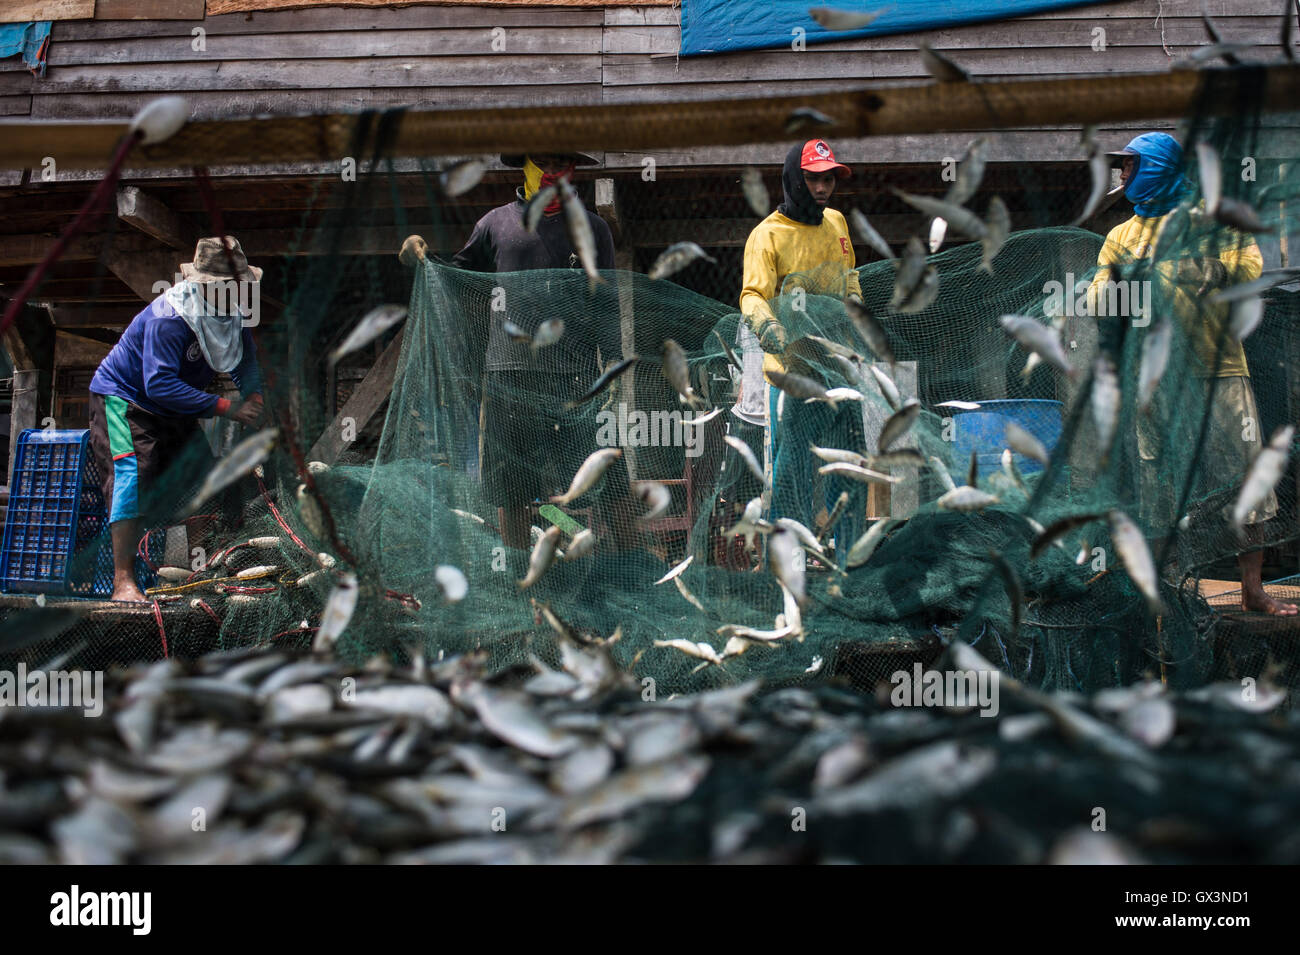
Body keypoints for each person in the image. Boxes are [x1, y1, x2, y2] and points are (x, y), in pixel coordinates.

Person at [1087, 132, 1296, 616]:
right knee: (1158, 486)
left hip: (1218, 372)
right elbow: (1098, 301)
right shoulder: (1120, 237)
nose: (1121, 175)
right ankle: (1168, 595)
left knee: (1245, 485)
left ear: (1159, 167)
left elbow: (1246, 277)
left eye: (1130, 166)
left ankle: (1252, 589)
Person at [451, 153, 628, 550]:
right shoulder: (493, 224)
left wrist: (614, 360)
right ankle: (517, 571)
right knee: (511, 487)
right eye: (542, 160)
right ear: (524, 167)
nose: (552, 170)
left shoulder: (593, 229)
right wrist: (423, 262)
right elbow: (457, 279)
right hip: (508, 376)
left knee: (608, 478)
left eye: (560, 160)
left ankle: (631, 567)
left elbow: (605, 301)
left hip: (578, 378)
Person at [88, 236, 265, 602]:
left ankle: (198, 573)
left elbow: (246, 362)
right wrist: (228, 408)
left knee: (204, 477)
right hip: (126, 399)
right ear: (205, 285)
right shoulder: (168, 318)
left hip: (177, 405)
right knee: (133, 474)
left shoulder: (235, 314)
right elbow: (159, 385)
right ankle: (123, 582)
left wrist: (256, 397)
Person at [739, 138, 866, 558]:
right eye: (813, 178)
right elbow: (752, 295)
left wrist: (858, 316)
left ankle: (847, 568)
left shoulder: (837, 223)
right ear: (795, 178)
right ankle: (788, 575)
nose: (823, 187)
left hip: (840, 372)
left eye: (828, 178)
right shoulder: (767, 236)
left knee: (847, 472)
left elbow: (850, 278)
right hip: (791, 376)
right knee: (792, 478)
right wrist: (767, 326)